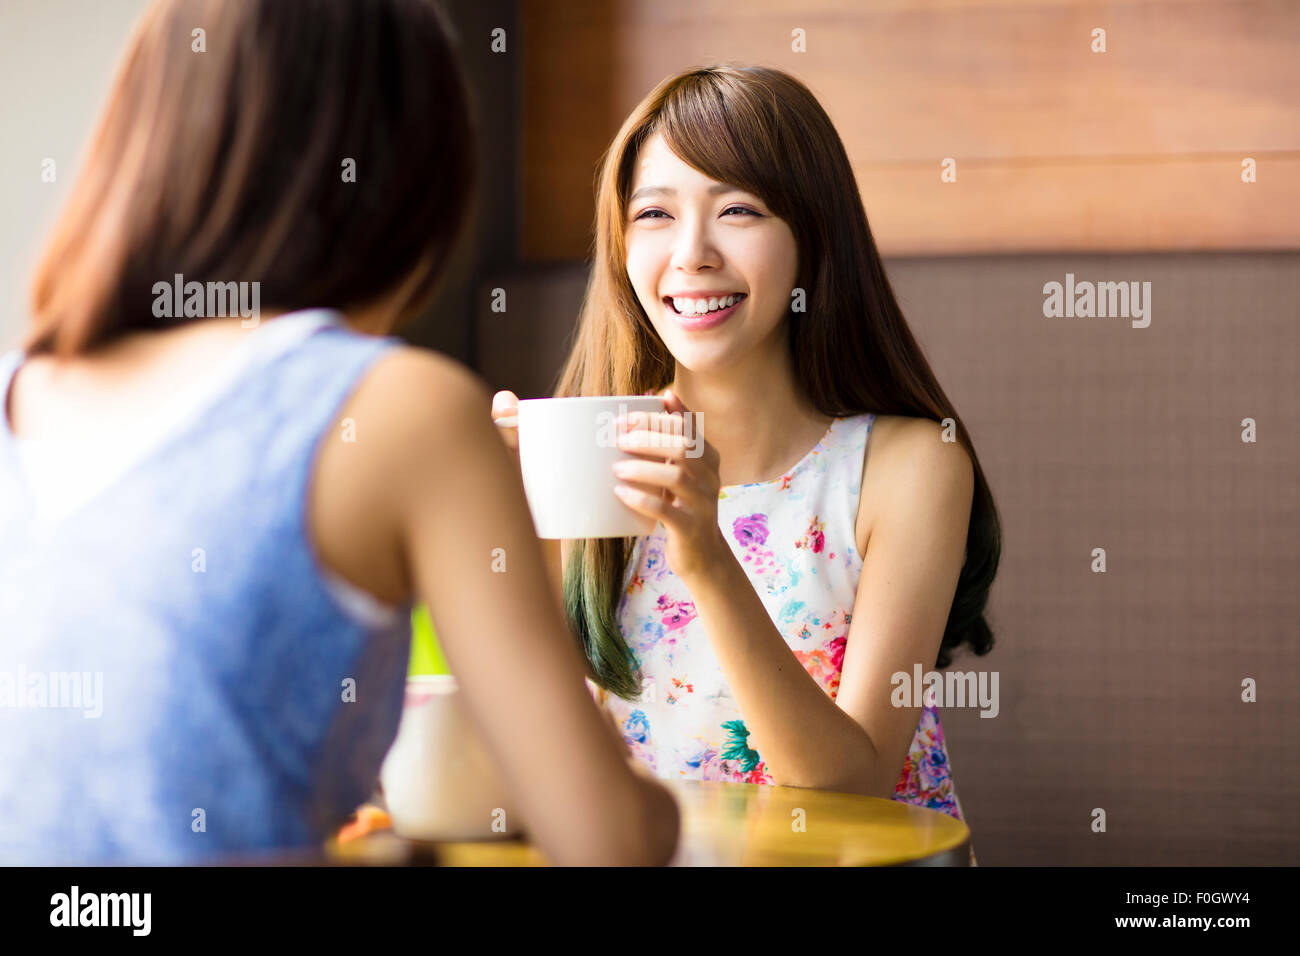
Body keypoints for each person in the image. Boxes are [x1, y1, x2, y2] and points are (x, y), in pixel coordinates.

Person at [0, 0, 678, 866]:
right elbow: (607, 839)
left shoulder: (22, 388)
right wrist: (662, 801)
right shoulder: (404, 408)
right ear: (420, 179)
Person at [494, 65, 1001, 864]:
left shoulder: (909, 465)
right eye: (654, 214)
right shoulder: (595, 454)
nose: (692, 253)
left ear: (813, 234)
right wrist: (493, 530)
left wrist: (706, 555)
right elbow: (554, 756)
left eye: (738, 210)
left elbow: (854, 784)